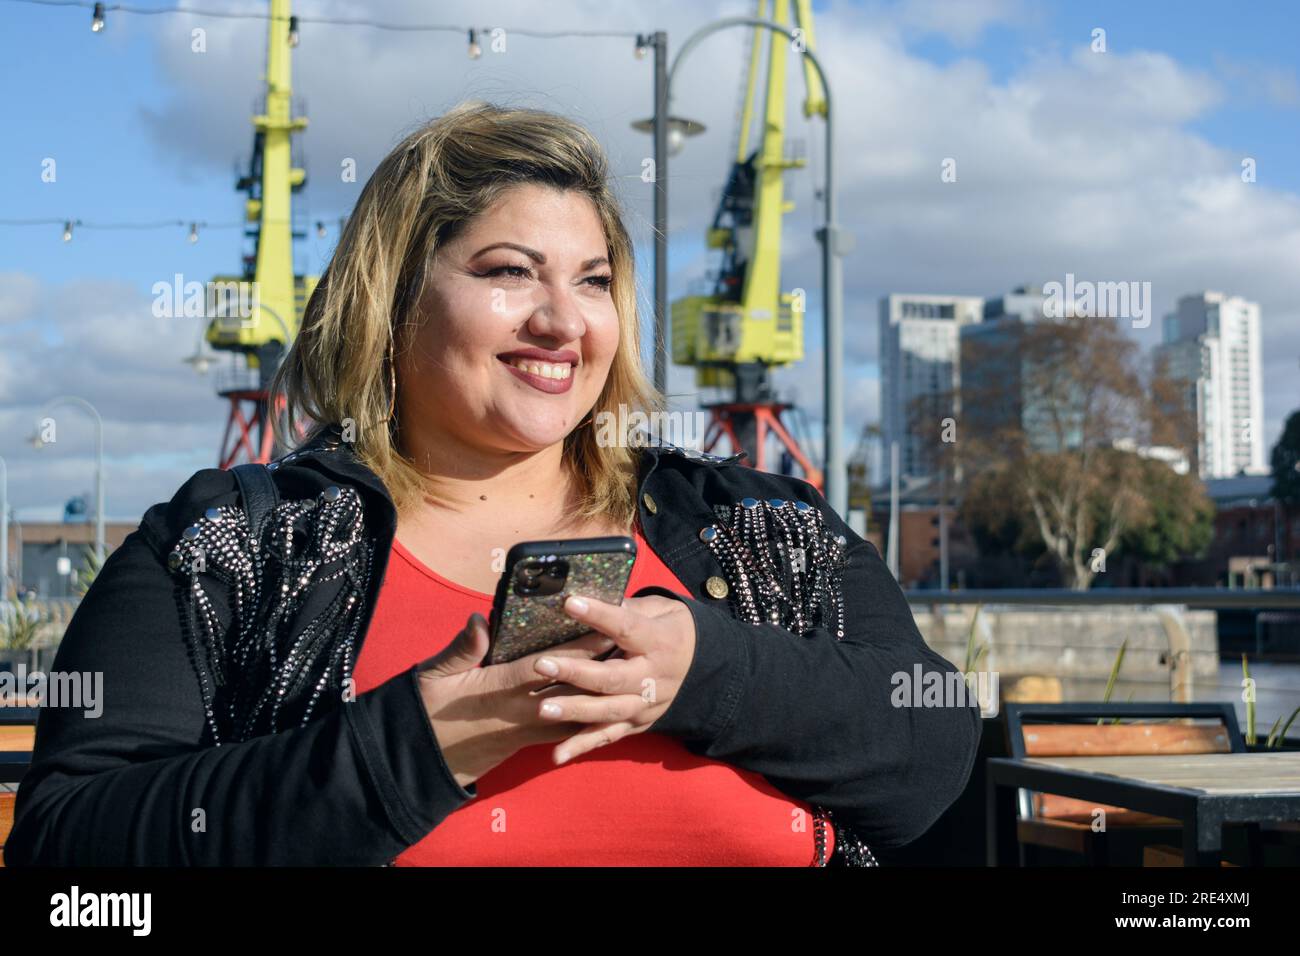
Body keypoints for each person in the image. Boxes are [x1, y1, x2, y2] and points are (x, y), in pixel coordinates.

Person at [5, 101, 980, 867]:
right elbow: (67, 846)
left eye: (594, 280)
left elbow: (932, 742)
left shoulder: (758, 529)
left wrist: (706, 674)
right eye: (511, 270)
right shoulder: (229, 550)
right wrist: (414, 749)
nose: (564, 319)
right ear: (393, 299)